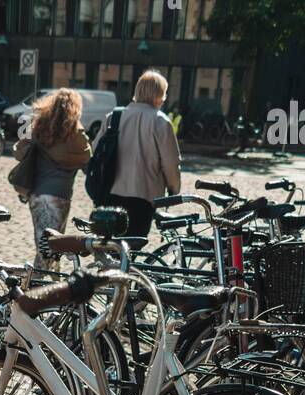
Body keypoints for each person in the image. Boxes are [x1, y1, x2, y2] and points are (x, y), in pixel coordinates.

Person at [93, 70, 181, 240]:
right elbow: (170, 164)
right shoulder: (160, 121)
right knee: (134, 244)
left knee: (112, 245)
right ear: (159, 95)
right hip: (144, 196)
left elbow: (96, 152)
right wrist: (174, 190)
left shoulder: (113, 117)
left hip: (111, 192)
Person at [13, 88, 92, 269]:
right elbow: (87, 157)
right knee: (49, 248)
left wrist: (27, 133)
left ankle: (49, 285)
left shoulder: (40, 128)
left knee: (49, 247)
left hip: (38, 196)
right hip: (60, 197)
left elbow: (19, 152)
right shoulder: (75, 135)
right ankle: (36, 291)